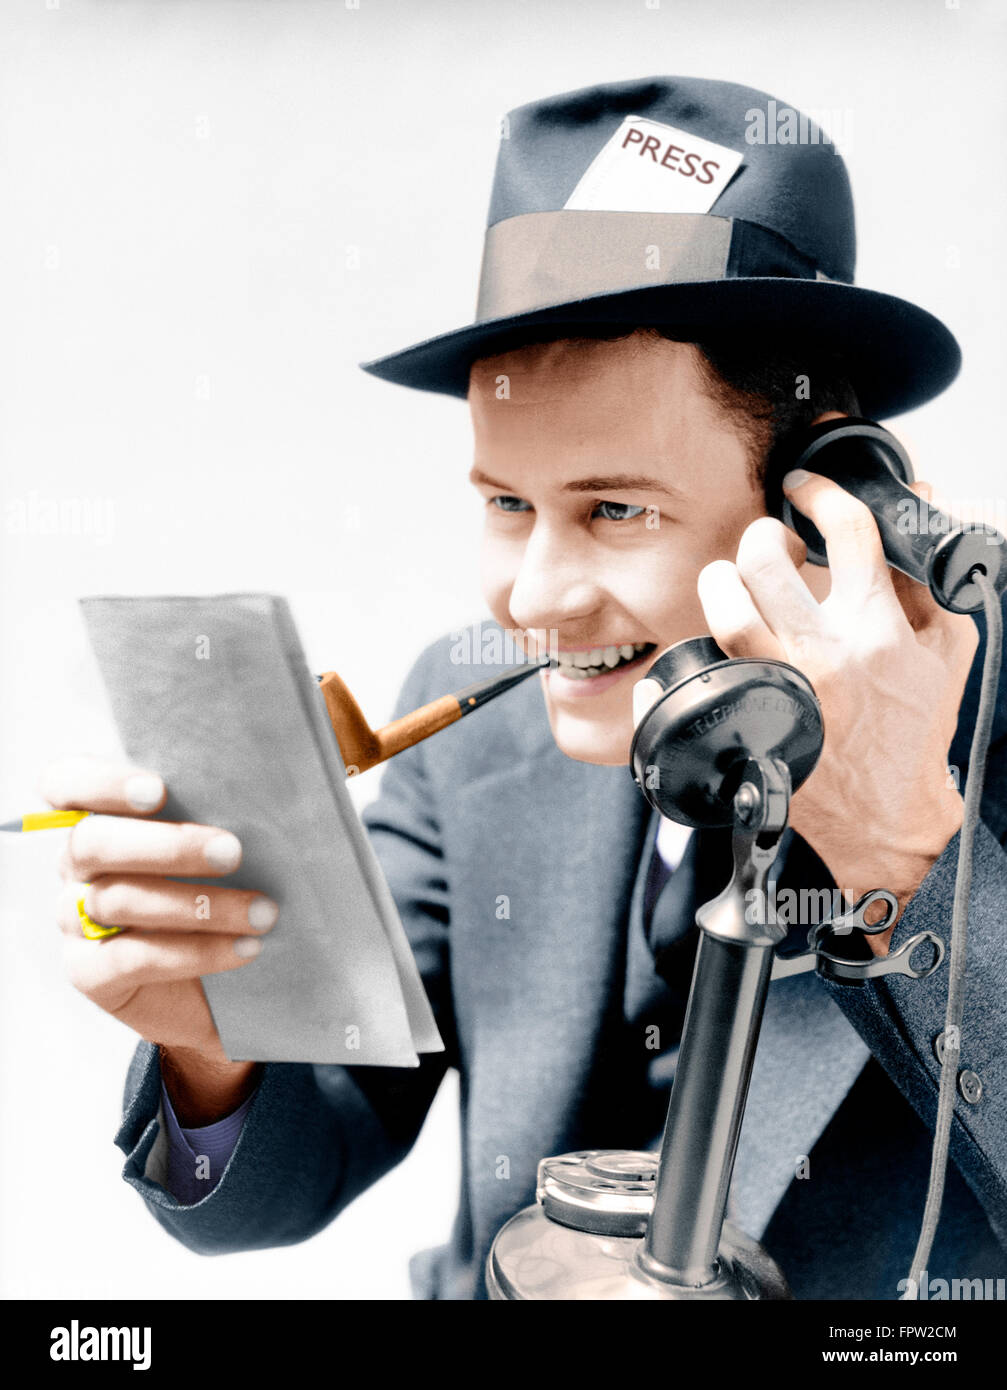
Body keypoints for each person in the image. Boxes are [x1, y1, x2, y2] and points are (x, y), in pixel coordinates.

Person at [43, 77, 1006, 1300]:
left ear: (820, 502)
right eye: (506, 503)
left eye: (614, 508)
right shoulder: (460, 712)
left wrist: (903, 856)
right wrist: (205, 1042)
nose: (532, 599)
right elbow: (284, 1171)